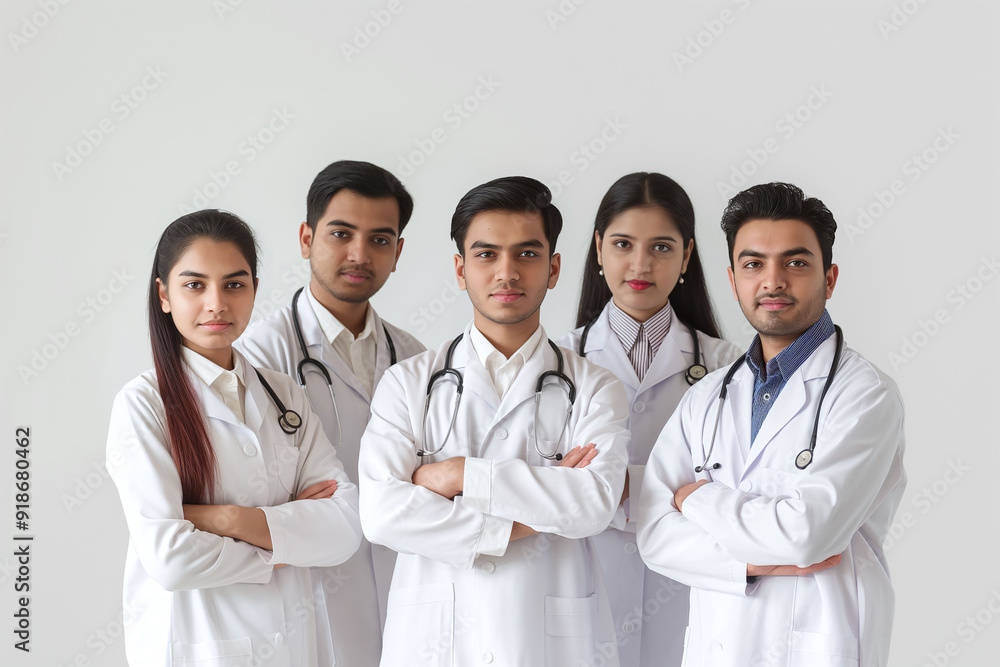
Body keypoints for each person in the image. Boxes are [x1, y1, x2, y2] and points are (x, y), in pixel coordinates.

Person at [358, 176, 630, 667]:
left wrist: (459, 475)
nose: (507, 272)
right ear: (460, 270)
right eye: (486, 255)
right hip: (437, 642)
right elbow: (382, 514)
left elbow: (592, 504)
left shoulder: (595, 387)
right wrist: (532, 515)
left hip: (550, 641)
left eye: (527, 254)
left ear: (553, 268)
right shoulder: (407, 383)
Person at [637, 183, 906, 667]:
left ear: (830, 277)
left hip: (814, 645)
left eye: (796, 263)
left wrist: (695, 499)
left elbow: (807, 534)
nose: (773, 281)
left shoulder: (864, 395)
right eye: (753, 264)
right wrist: (750, 562)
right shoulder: (707, 396)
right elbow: (654, 535)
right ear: (733, 279)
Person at [106, 210, 362, 667]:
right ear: (163, 295)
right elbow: (171, 559)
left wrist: (225, 519)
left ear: (254, 290)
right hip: (200, 646)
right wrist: (286, 543)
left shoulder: (284, 394)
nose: (217, 303)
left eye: (234, 284)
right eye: (194, 285)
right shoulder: (143, 404)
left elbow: (344, 528)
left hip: (294, 644)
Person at [237, 160, 425, 667]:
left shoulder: (416, 359)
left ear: (397, 253)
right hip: (306, 595)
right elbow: (253, 496)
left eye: (380, 239)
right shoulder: (258, 355)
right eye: (341, 234)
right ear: (306, 239)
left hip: (404, 592)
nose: (359, 254)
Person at [558, 172, 741, 667]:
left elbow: (738, 488)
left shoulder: (729, 367)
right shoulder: (555, 364)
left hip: (688, 588)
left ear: (686, 256)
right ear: (599, 249)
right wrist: (673, 492)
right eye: (623, 244)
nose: (641, 264)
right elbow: (546, 491)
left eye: (661, 247)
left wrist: (611, 486)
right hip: (581, 586)